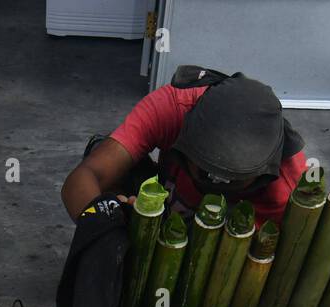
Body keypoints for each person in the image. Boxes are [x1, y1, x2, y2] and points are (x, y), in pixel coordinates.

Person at [61, 67, 307, 224]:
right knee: (103, 165)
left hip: (225, 254)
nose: (215, 183)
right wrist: (107, 228)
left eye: (230, 180)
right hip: (166, 210)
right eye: (206, 173)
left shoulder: (289, 192)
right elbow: (85, 177)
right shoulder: (175, 107)